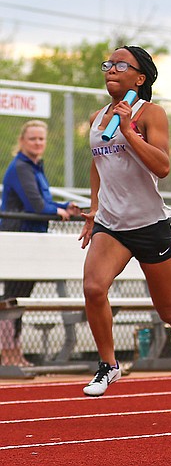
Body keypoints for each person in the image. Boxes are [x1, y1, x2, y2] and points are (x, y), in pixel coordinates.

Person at [78, 46, 171, 397]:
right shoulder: (97, 117)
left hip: (149, 223)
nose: (110, 69)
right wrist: (94, 209)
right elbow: (97, 165)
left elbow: (163, 167)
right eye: (107, 64)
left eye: (121, 65)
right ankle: (109, 365)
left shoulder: (151, 114)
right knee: (93, 288)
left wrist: (128, 129)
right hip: (111, 223)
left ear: (140, 78)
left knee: (168, 308)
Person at [0, 120, 81, 366]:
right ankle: (8, 354)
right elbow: (35, 206)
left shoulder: (35, 166)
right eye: (33, 138)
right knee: (12, 298)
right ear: (22, 141)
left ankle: (14, 352)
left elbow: (44, 201)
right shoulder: (21, 167)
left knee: (19, 297)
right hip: (18, 238)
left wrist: (65, 207)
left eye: (41, 139)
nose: (37, 143)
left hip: (32, 240)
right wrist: (58, 211)